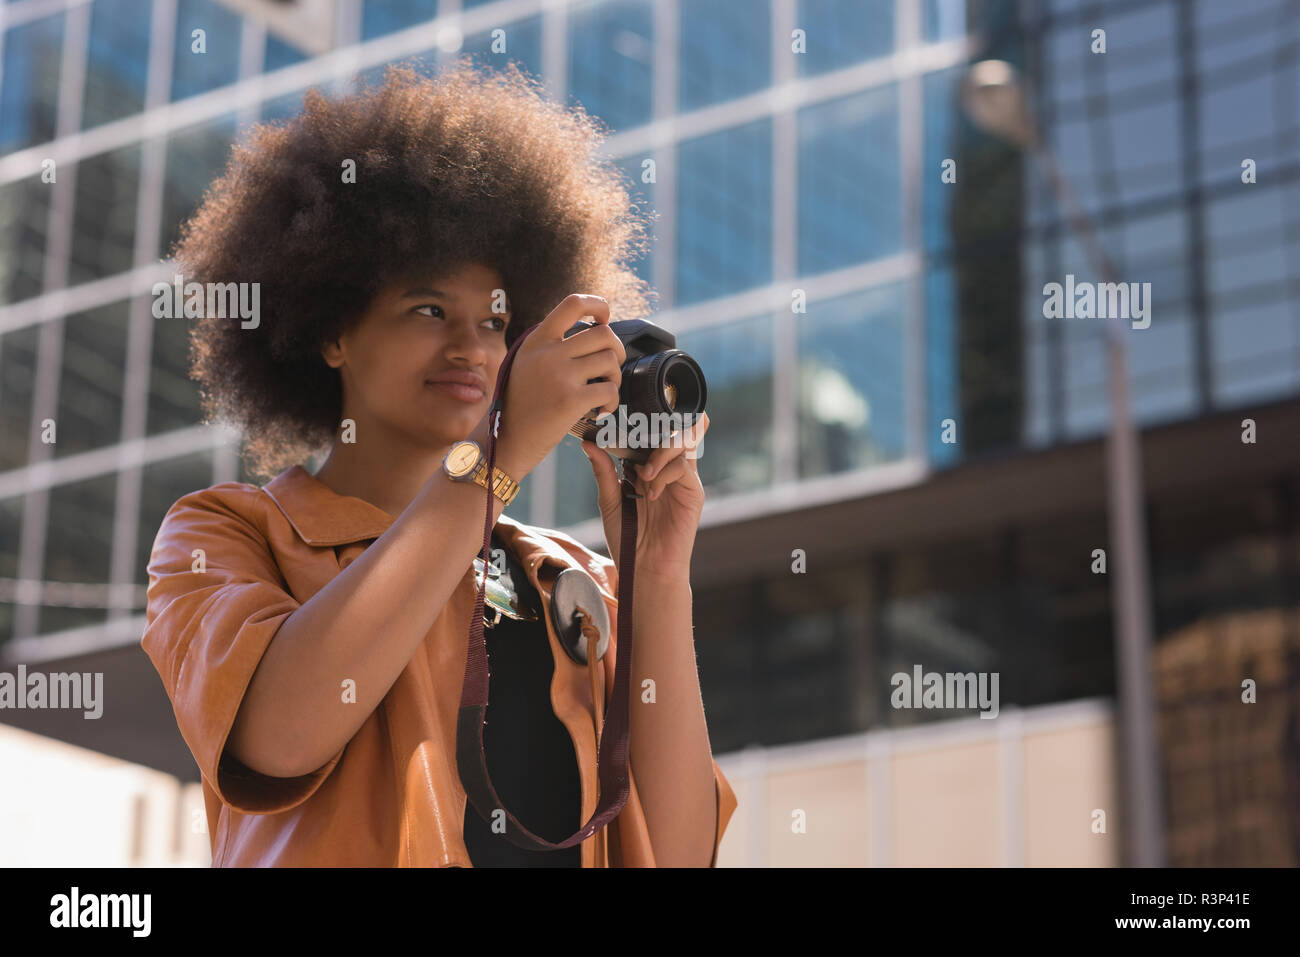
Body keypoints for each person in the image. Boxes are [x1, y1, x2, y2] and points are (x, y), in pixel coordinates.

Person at [141, 61, 736, 867]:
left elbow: (681, 849)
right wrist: (495, 462)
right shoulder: (225, 533)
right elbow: (279, 734)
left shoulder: (571, 580)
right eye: (428, 309)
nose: (470, 348)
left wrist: (659, 572)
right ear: (331, 331)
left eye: (496, 323)